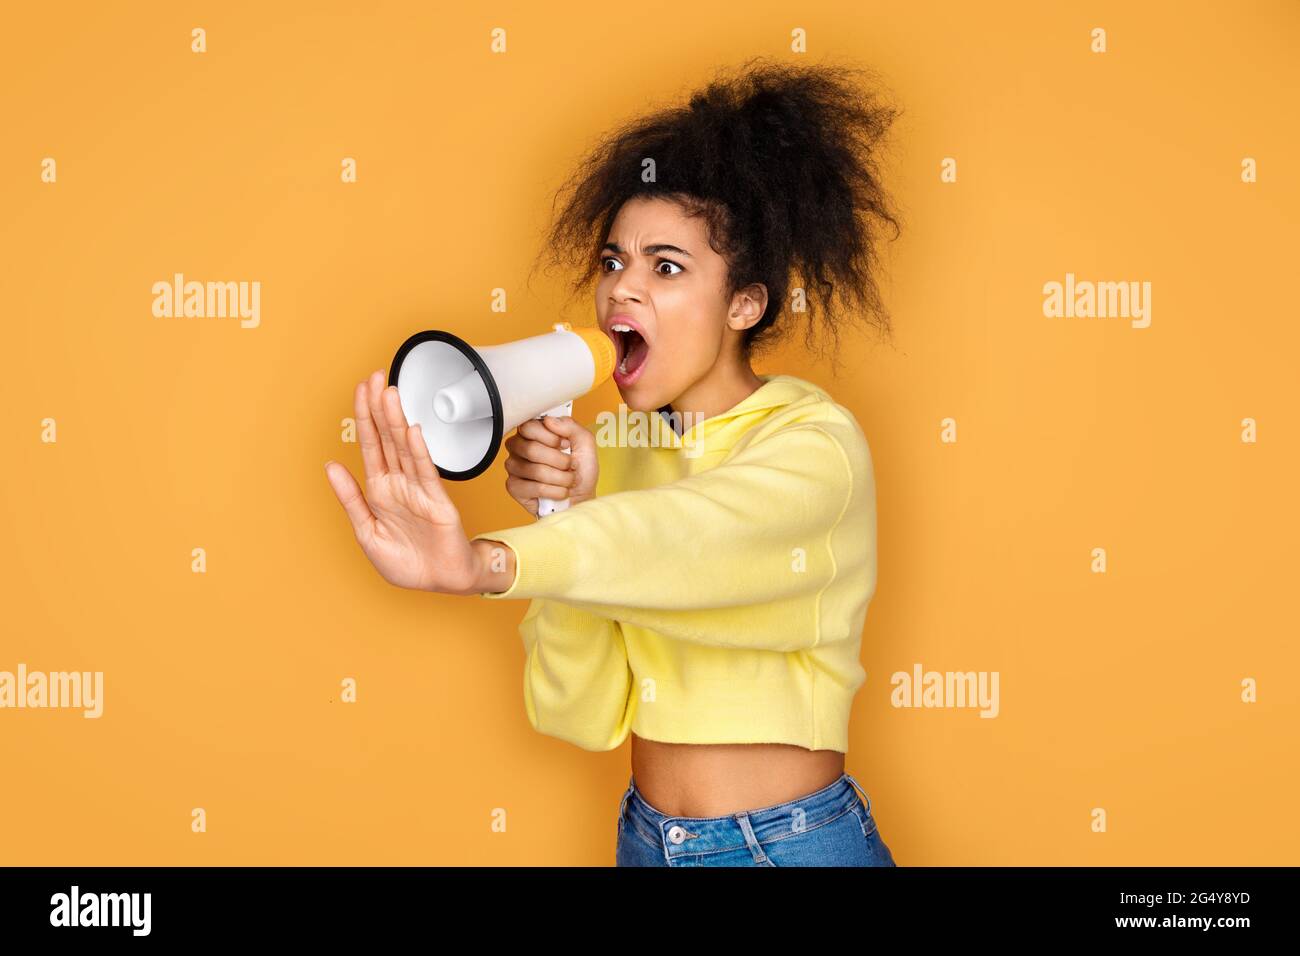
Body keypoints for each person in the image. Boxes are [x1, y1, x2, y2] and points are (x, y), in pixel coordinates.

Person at [324, 56, 903, 866]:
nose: (621, 290)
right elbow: (579, 713)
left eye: (666, 267)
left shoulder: (816, 447)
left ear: (745, 303)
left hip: (788, 845)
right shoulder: (625, 460)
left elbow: (686, 542)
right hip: (645, 840)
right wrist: (566, 517)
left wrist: (489, 562)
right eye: (612, 262)